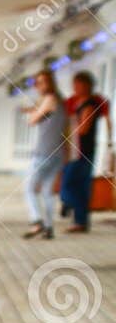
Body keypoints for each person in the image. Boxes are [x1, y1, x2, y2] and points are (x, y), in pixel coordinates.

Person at [58, 70, 108, 233]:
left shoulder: (91, 104)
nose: (76, 88)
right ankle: (80, 221)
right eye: (75, 85)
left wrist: (69, 125)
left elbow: (83, 129)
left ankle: (74, 210)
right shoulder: (75, 103)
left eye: (79, 85)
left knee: (68, 188)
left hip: (83, 153)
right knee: (78, 187)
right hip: (73, 151)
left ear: (88, 86)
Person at [21, 69, 67, 240]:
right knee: (47, 191)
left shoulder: (49, 99)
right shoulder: (60, 101)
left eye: (41, 82)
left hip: (44, 153)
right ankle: (49, 227)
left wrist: (32, 111)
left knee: (30, 189)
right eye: (37, 83)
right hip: (57, 153)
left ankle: (36, 221)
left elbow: (32, 121)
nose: (38, 86)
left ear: (49, 83)